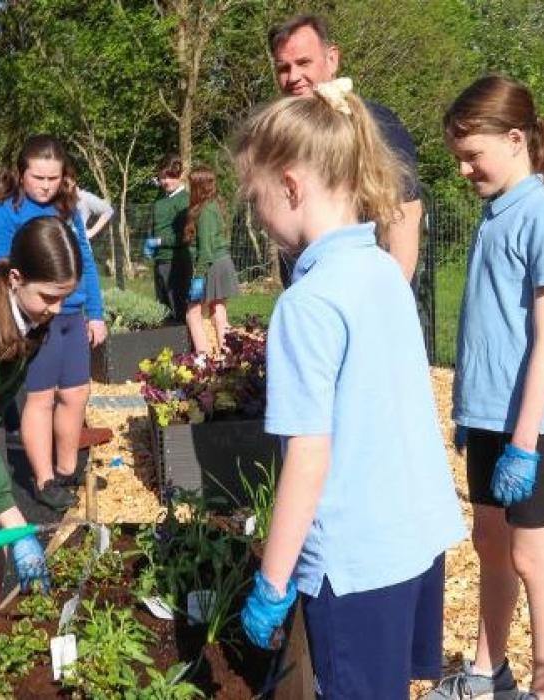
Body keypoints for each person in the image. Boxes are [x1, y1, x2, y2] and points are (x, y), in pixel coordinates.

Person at [233, 80, 465, 697]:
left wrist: (273, 582)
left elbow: (308, 458)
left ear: (290, 185)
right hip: (414, 539)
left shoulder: (306, 305)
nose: (256, 217)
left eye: (255, 199)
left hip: (353, 562)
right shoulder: (386, 274)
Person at [421, 76, 544, 700]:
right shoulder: (495, 215)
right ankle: (489, 673)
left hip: (528, 424)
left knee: (532, 559)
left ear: (516, 140)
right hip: (488, 417)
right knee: (491, 546)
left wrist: (523, 443)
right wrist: (470, 415)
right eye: (459, 157)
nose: (464, 169)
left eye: (472, 155)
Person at [0, 216, 82, 651]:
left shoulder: (30, 311)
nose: (57, 309)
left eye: (65, 297)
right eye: (49, 296)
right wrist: (22, 527)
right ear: (15, 277)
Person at [0, 135, 106, 511]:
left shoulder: (66, 208)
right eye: (38, 177)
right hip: (37, 320)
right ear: (21, 174)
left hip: (74, 316)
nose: (46, 185)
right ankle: (44, 479)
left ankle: (68, 469)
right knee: (40, 399)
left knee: (75, 394)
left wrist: (96, 313)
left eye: (53, 178)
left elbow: (84, 259)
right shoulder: (5, 212)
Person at [269, 14, 423, 286]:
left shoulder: (374, 124)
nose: (293, 77)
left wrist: (390, 302)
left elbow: (404, 217)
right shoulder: (282, 138)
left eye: (303, 62)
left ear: (332, 59)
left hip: (364, 298)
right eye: (283, 68)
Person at [182, 164, 238, 355]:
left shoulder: (204, 212)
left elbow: (205, 251)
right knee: (218, 311)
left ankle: (202, 358)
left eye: (191, 185)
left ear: (198, 186)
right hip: (224, 262)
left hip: (212, 265)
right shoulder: (215, 206)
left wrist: (198, 277)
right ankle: (229, 355)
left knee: (192, 313)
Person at [142, 154, 190, 321]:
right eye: (163, 177)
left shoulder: (185, 201)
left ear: (180, 176)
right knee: (163, 311)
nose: (166, 181)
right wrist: (149, 240)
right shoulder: (160, 198)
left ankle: (185, 346)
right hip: (160, 260)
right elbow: (156, 225)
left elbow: (185, 236)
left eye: (171, 177)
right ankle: (167, 346)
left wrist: (160, 241)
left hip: (176, 262)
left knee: (178, 310)